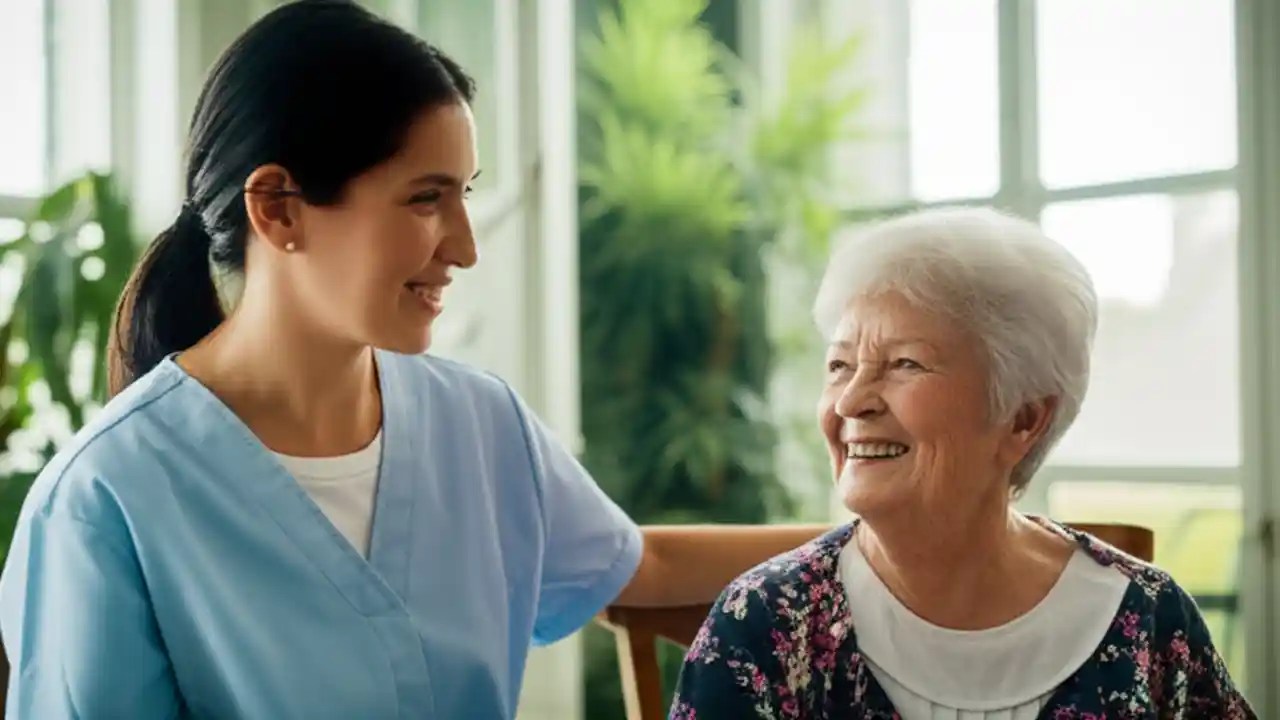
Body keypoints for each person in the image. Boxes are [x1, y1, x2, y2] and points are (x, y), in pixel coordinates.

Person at [0, 2, 821, 717]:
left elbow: (644, 567)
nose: (463, 246)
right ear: (279, 209)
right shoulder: (104, 501)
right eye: (427, 198)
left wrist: (891, 535)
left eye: (465, 193)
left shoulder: (480, 424)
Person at [668, 207, 1256, 719]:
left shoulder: (1150, 622)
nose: (851, 402)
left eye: (904, 364)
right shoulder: (765, 625)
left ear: (1024, 420)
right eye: (840, 365)